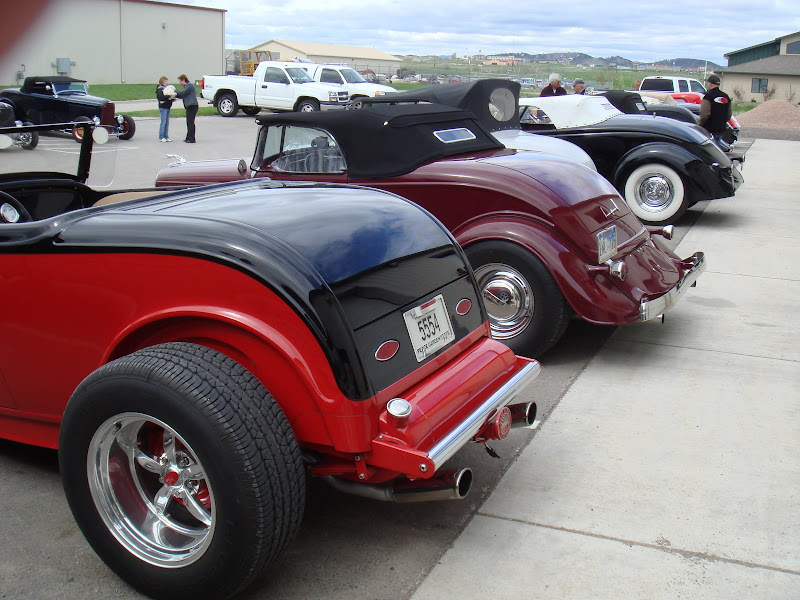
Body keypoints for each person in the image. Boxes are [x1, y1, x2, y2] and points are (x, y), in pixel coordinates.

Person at [698, 75, 732, 150]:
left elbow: (704, 114)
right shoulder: (725, 96)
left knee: (709, 151)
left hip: (709, 129)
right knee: (717, 148)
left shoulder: (708, 96)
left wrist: (700, 124)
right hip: (720, 129)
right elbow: (729, 114)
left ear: (710, 84)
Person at [175, 74, 198, 143]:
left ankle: (192, 138)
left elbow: (182, 94)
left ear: (183, 80)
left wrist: (174, 91)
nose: (180, 83)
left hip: (192, 105)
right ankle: (188, 137)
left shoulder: (189, 86)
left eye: (180, 81)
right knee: (188, 122)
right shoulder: (186, 86)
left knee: (190, 122)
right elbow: (182, 95)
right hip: (189, 106)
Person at [155, 76, 174, 142]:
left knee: (167, 122)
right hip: (163, 107)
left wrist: (172, 99)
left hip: (167, 106)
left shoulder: (166, 88)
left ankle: (166, 136)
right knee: (163, 122)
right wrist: (168, 97)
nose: (166, 83)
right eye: (165, 81)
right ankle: (161, 136)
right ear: (162, 81)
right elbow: (161, 97)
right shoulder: (160, 88)